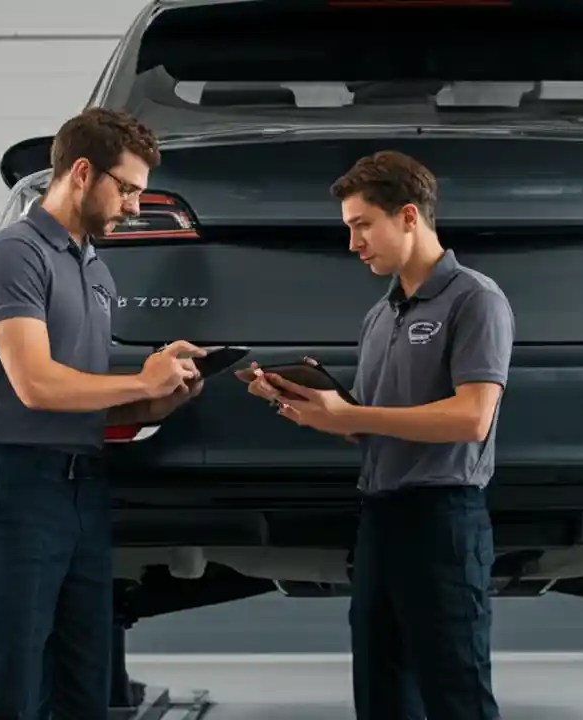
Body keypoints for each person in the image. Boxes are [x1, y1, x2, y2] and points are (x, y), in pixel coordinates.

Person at [241, 150, 514, 720]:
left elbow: (472, 418)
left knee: (456, 695)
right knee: (381, 693)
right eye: (349, 228)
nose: (353, 243)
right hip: (379, 520)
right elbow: (369, 426)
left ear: (409, 216)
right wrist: (310, 407)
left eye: (362, 225)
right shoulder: (379, 317)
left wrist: (353, 417)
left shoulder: (475, 299)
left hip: (444, 521)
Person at [0, 107, 205, 719]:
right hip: (19, 487)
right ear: (81, 172)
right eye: (126, 189)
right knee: (10, 680)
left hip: (85, 485)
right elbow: (37, 385)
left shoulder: (94, 268)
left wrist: (159, 397)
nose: (133, 206)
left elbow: (93, 390)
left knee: (85, 683)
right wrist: (136, 380)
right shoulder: (13, 256)